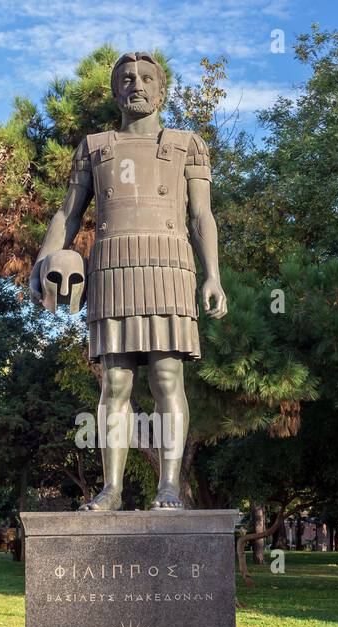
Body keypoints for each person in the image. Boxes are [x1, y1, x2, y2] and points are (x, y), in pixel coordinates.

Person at [30, 51, 226, 511]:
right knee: (114, 383)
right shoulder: (95, 147)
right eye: (126, 78)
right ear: (116, 90)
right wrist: (43, 263)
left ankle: (169, 487)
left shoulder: (187, 145)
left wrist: (213, 275)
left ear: (161, 90)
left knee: (166, 375)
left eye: (145, 78)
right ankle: (112, 490)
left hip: (169, 267)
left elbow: (201, 216)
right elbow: (68, 213)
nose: (136, 84)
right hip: (112, 268)